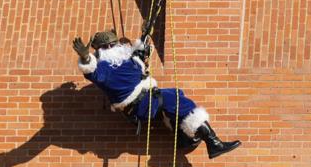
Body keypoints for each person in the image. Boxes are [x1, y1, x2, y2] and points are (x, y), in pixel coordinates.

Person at [73, 30, 241, 159]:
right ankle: (214, 143)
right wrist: (86, 58)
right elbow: (92, 71)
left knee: (177, 94)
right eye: (112, 45)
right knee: (179, 102)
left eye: (116, 44)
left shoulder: (126, 60)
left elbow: (140, 55)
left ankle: (183, 138)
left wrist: (144, 37)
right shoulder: (103, 69)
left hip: (149, 97)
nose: (116, 47)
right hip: (139, 104)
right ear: (104, 49)